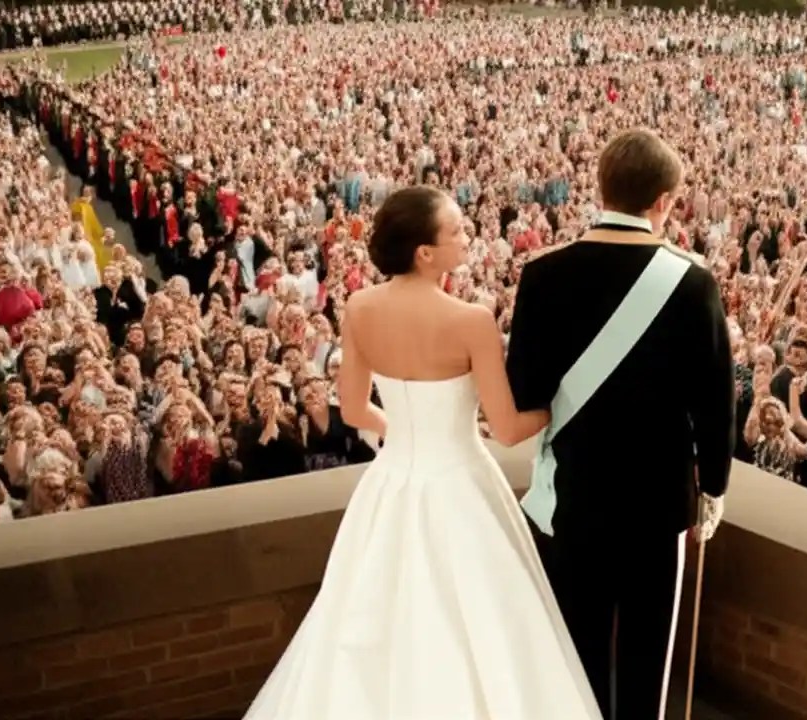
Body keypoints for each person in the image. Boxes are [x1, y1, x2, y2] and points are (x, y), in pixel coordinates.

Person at [245, 186, 602, 719]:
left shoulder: (360, 307)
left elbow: (355, 408)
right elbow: (506, 429)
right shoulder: (471, 320)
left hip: (390, 483)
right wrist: (561, 404)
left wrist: (406, 431)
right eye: (456, 229)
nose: (467, 235)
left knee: (368, 621)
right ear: (424, 252)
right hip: (462, 484)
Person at [507, 129, 735, 720]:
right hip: (657, 505)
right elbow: (715, 401)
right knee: (645, 659)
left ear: (600, 188)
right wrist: (712, 484)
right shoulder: (694, 281)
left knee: (575, 653)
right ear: (664, 201)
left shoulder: (543, 274)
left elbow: (525, 393)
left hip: (574, 499)